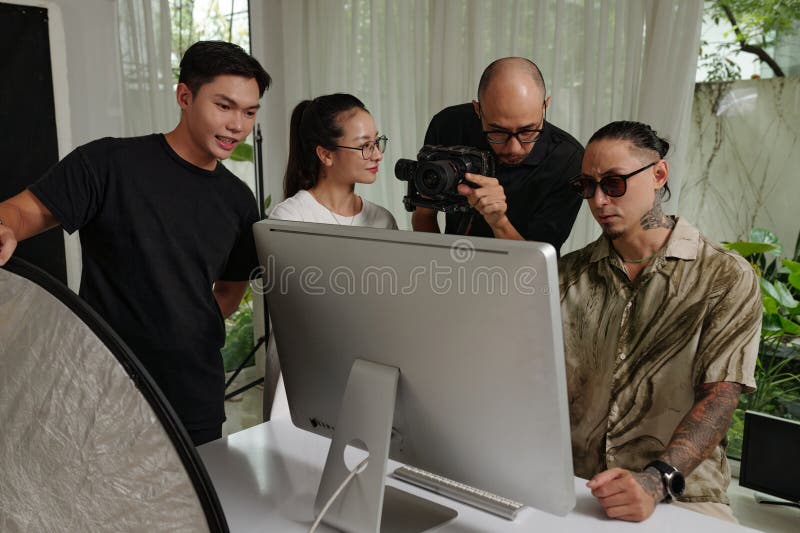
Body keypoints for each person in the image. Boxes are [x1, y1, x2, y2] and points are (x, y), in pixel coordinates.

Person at [0, 41, 271, 446]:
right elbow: (22, 212)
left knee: (192, 510)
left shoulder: (237, 200)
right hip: (102, 388)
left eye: (249, 112)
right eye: (224, 106)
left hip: (194, 396)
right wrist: (4, 226)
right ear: (184, 96)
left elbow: (231, 288)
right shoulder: (108, 164)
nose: (238, 125)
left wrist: (184, 324)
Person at [559, 121, 761, 523]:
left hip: (682, 491)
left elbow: (719, 398)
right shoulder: (566, 276)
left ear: (658, 175)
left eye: (614, 183)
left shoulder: (724, 277)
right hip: (580, 484)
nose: (599, 200)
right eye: (587, 186)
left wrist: (657, 481)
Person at [412, 57, 582, 252]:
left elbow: (536, 265)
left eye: (528, 131)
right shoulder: (448, 126)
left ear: (545, 107)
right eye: (498, 132)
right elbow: (424, 216)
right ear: (478, 110)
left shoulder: (568, 160)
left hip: (520, 278)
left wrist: (499, 222)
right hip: (448, 266)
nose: (513, 148)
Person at [270, 93, 397, 229]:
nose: (378, 155)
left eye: (377, 142)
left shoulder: (383, 221)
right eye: (365, 146)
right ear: (326, 155)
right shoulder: (289, 217)